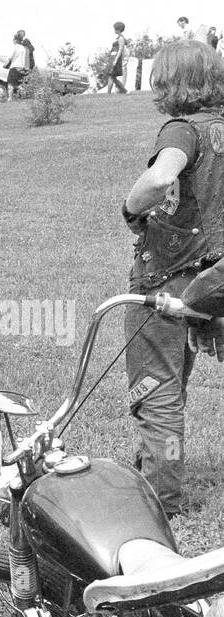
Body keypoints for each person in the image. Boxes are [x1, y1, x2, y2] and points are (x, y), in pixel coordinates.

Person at [121, 40, 224, 517]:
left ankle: (159, 500)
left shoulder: (183, 131)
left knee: (157, 389)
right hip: (214, 280)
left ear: (175, 84)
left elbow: (162, 179)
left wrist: (130, 206)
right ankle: (150, 472)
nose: (156, 88)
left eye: (161, 79)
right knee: (172, 383)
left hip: (169, 278)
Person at [6, 31, 31, 100]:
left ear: (16, 40)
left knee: (10, 84)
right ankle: (23, 95)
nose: (13, 41)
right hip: (21, 68)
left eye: (13, 40)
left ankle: (10, 98)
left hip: (14, 68)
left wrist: (5, 65)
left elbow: (10, 58)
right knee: (18, 84)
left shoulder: (15, 47)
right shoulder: (23, 48)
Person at [108, 23, 129, 95]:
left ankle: (121, 90)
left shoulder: (121, 38)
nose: (114, 30)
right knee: (112, 76)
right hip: (117, 58)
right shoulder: (119, 37)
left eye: (115, 29)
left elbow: (121, 49)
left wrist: (116, 59)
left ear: (119, 29)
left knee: (112, 75)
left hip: (120, 59)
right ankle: (124, 90)